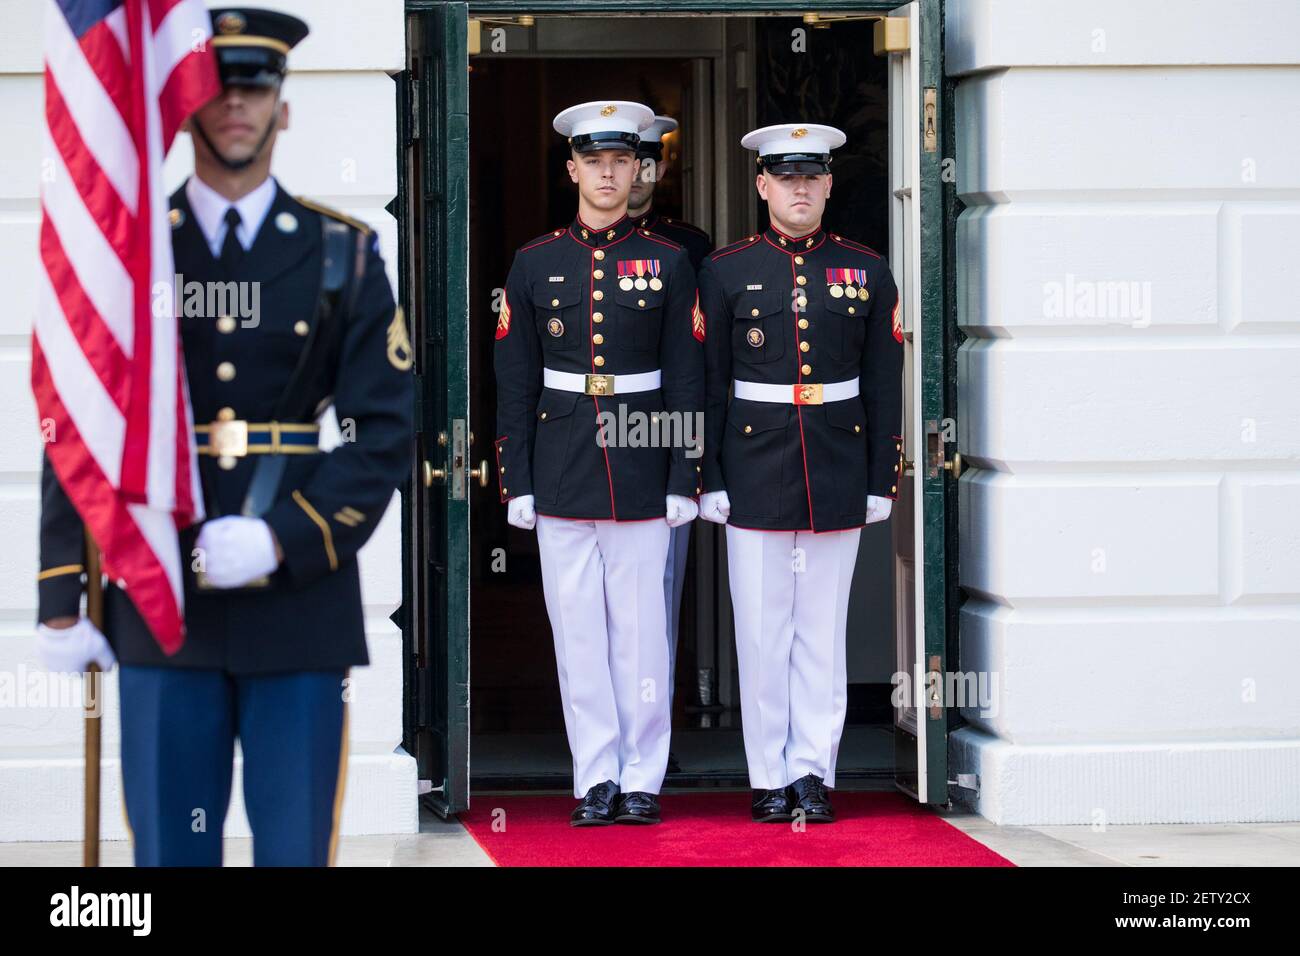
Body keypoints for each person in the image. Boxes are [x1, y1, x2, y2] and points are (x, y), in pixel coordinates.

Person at [35, 7, 414, 865]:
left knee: (292, 850)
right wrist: (61, 589)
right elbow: (81, 422)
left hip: (298, 605)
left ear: (283, 108)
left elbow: (382, 432)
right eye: (218, 88)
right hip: (161, 592)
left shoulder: (341, 254)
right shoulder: (127, 257)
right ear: (185, 105)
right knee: (170, 853)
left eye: (257, 88)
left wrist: (283, 539)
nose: (237, 105)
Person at [493, 101, 705, 825]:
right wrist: (514, 477)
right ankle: (596, 777)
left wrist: (685, 475)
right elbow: (515, 382)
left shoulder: (672, 262)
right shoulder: (534, 261)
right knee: (577, 631)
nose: (607, 174)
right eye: (594, 162)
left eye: (621, 162)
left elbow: (686, 376)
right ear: (572, 169)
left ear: (637, 169)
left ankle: (643, 775)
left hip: (645, 465)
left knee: (643, 632)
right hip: (560, 464)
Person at [697, 123, 903, 823]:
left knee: (821, 634)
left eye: (812, 177)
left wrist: (882, 477)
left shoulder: (867, 269)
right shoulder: (726, 270)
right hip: (753, 465)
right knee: (761, 634)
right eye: (787, 178)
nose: (801, 190)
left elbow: (883, 383)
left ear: (828, 184)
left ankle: (814, 772)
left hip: (838, 464)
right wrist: (709, 476)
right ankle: (768, 776)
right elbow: (708, 383)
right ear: (763, 186)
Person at [626, 113, 715, 775]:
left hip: (665, 431)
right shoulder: (556, 248)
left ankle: (653, 737)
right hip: (591, 436)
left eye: (645, 160)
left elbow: (701, 353)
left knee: (660, 588)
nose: (633, 173)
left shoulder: (688, 244)